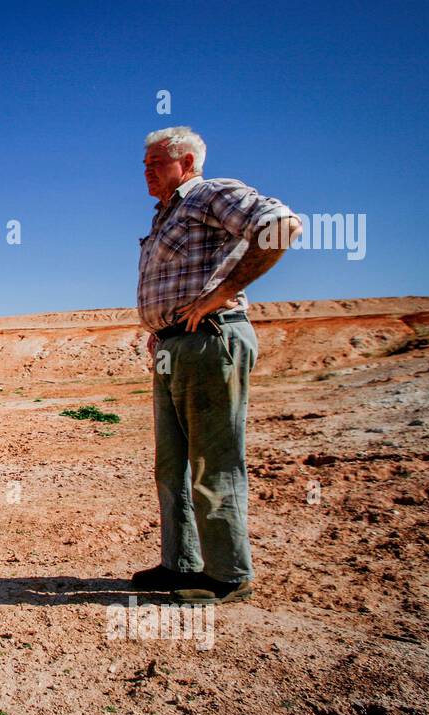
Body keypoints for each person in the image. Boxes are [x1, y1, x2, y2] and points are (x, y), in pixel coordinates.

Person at [131, 127, 302, 604]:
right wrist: (160, 329)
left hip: (211, 339)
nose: (146, 171)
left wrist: (222, 294)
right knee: (171, 465)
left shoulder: (209, 193)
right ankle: (180, 563)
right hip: (175, 346)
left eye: (156, 162)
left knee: (215, 461)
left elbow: (281, 224)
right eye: (144, 163)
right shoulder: (166, 213)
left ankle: (227, 574)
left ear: (186, 162)